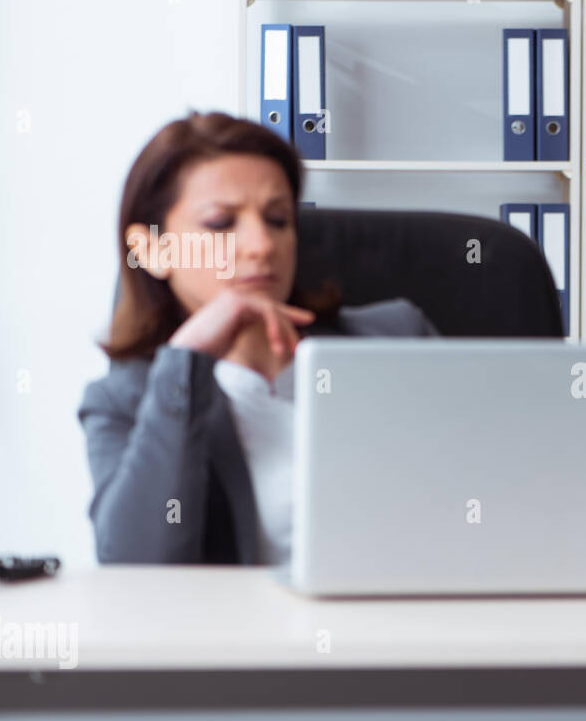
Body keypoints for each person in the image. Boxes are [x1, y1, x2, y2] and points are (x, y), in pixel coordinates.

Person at [78, 112, 437, 565]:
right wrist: (186, 361)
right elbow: (137, 570)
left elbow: (492, 497)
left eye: (278, 219)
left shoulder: (399, 338)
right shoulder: (121, 401)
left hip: (419, 626)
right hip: (245, 636)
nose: (262, 245)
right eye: (221, 223)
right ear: (151, 249)